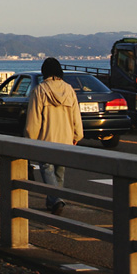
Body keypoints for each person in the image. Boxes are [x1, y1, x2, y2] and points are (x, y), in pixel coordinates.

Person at [24, 57, 83, 216]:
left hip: (46, 138)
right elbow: (75, 115)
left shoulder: (40, 90)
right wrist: (77, 135)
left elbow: (34, 119)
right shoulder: (69, 89)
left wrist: (30, 139)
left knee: (47, 168)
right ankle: (53, 201)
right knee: (59, 171)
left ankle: (56, 199)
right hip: (65, 138)